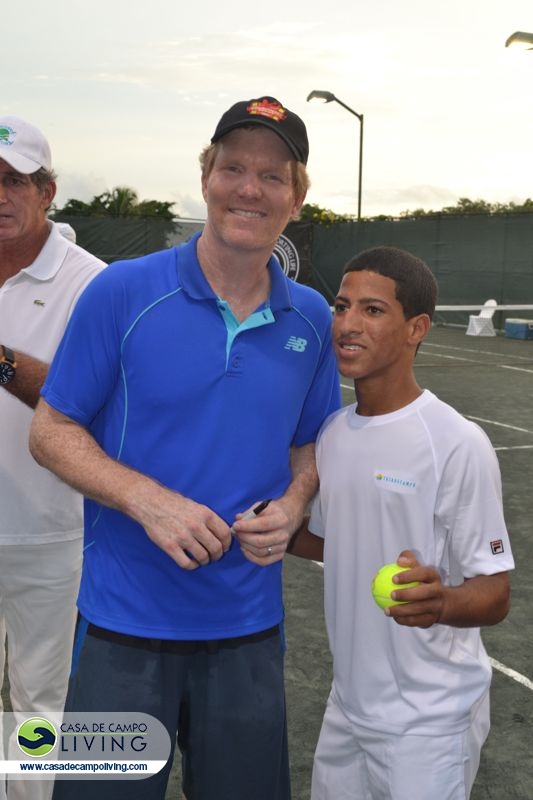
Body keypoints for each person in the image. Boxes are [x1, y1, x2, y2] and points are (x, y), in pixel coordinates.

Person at [29, 96, 341, 800]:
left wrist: (293, 506)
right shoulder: (121, 291)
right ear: (206, 176)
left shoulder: (311, 319)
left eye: (272, 176)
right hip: (120, 628)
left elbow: (310, 446)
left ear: (295, 198)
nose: (249, 189)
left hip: (247, 632)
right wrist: (149, 501)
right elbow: (51, 430)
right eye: (233, 167)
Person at [288, 246, 514, 800]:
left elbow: (495, 592)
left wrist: (440, 603)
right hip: (347, 707)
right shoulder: (334, 435)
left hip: (429, 723)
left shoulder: (456, 443)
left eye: (372, 310)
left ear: (417, 328)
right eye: (342, 307)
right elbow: (338, 542)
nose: (347, 324)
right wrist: (277, 533)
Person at [0, 115, 105, 800]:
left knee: (40, 702)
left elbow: (85, 400)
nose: (0, 195)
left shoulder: (91, 283)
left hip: (47, 530)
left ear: (47, 191)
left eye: (13, 180)